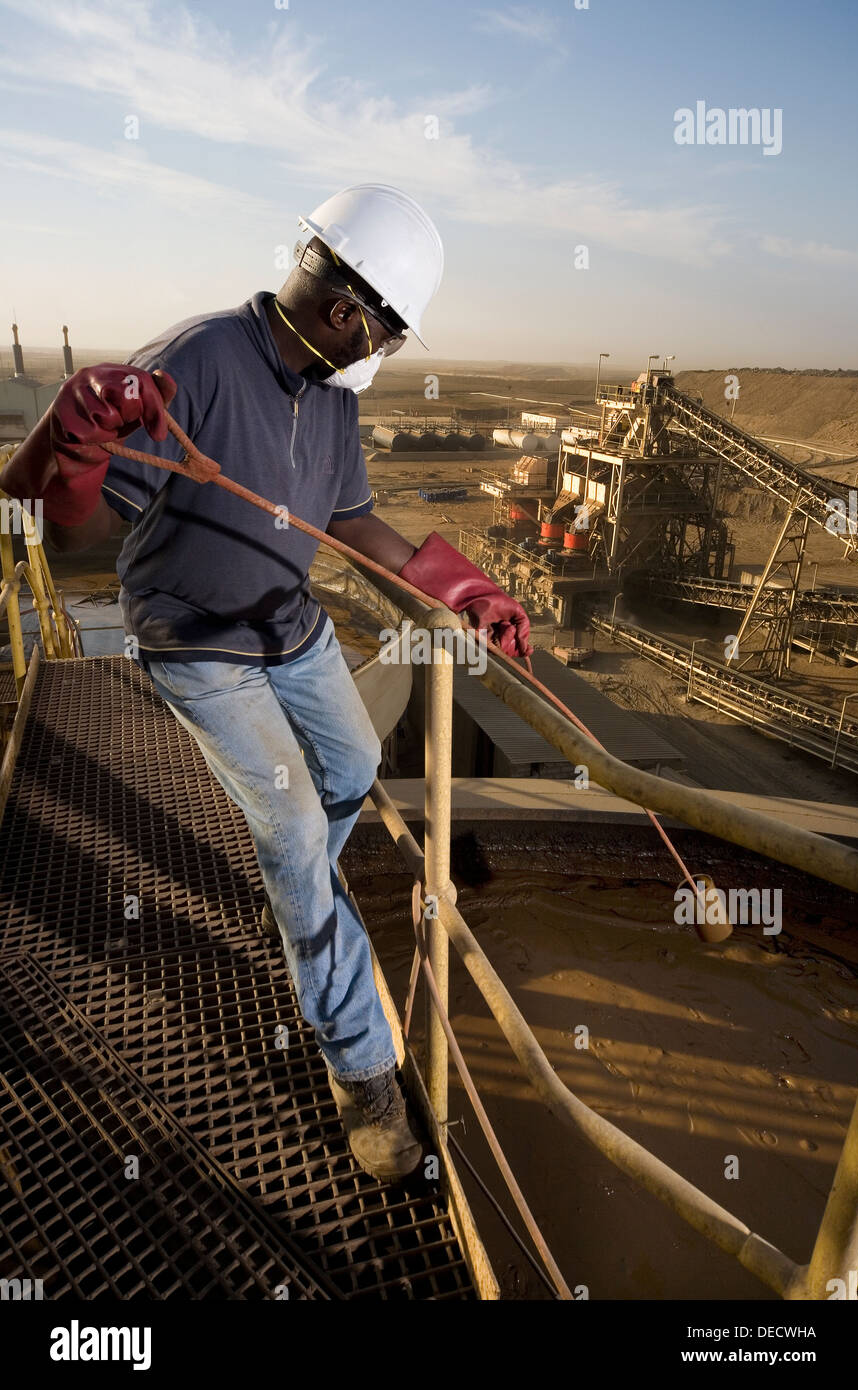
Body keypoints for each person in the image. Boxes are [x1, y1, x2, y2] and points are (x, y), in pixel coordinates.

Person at [0, 182, 532, 1183]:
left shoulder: (328, 394)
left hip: (288, 627)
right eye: (386, 334)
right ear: (345, 313)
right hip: (197, 642)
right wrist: (69, 450)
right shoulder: (193, 363)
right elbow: (76, 529)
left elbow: (348, 520)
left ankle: (298, 907)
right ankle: (360, 1066)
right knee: (290, 826)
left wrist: (461, 586)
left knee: (353, 760)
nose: (382, 354)